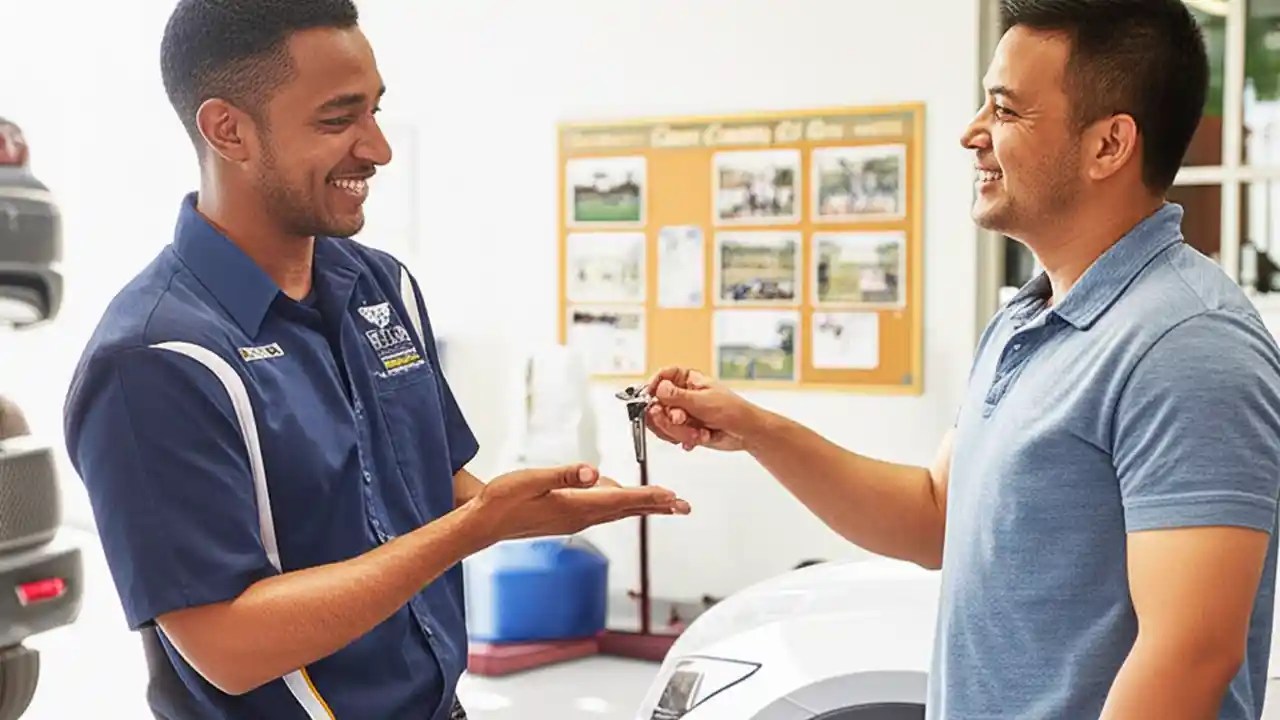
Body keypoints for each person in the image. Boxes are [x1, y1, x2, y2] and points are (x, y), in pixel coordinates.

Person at [644, 1, 1280, 719]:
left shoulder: (1188, 343)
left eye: (1005, 111)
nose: (971, 133)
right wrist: (755, 428)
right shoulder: (1025, 318)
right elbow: (933, 515)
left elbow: (1192, 653)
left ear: (1109, 145)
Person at [61, 2, 689, 719]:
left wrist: (526, 511)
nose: (379, 149)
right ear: (227, 130)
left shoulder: (380, 287)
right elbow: (227, 648)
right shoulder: (153, 359)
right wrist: (475, 529)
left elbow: (435, 485)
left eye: (375, 111)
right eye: (338, 120)